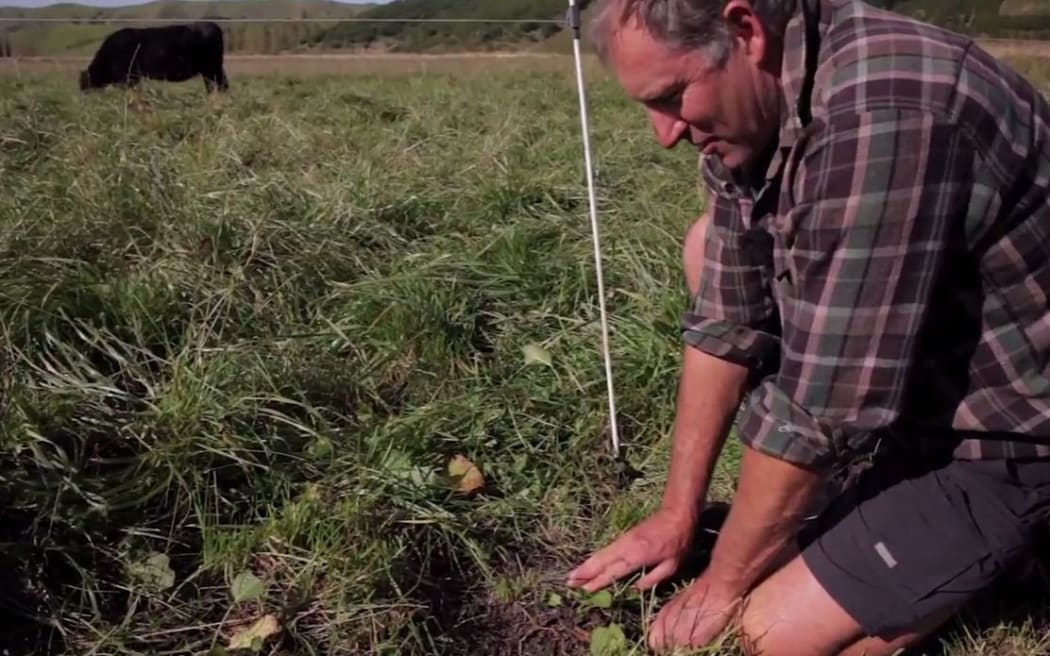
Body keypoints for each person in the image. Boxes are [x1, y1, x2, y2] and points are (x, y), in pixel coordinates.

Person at [564, 0, 1050, 654]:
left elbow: (822, 409)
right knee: (705, 244)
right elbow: (727, 318)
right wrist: (677, 514)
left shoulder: (883, 117)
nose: (665, 134)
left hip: (1011, 435)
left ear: (744, 31)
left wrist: (721, 586)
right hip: (928, 377)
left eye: (674, 97)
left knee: (756, 638)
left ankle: (1014, 547)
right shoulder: (756, 110)